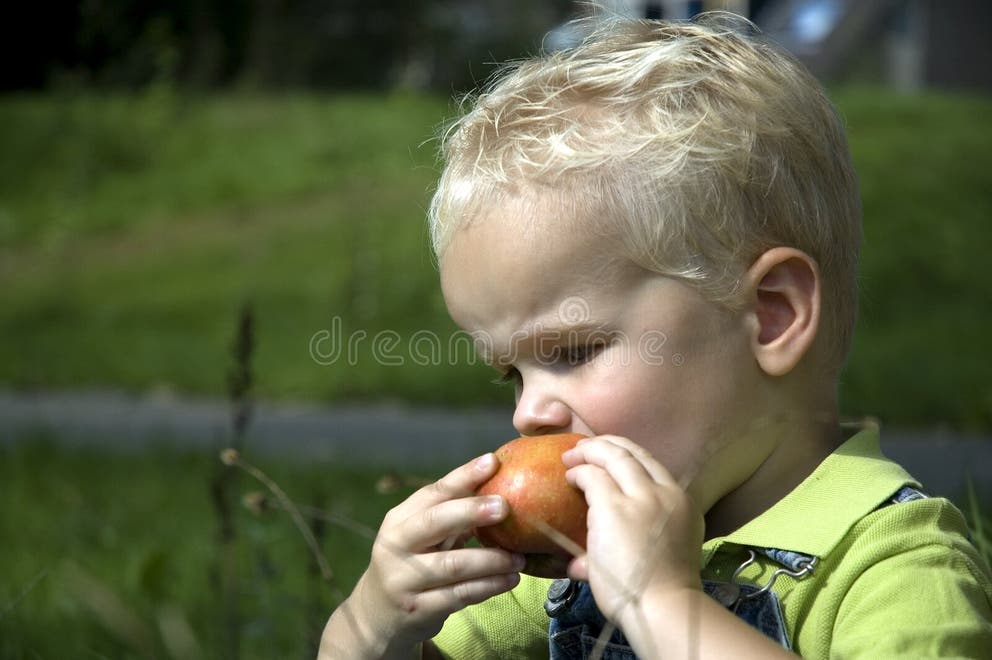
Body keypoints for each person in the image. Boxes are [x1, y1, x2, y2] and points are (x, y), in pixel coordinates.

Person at [319, 13, 992, 659]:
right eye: (513, 374)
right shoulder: (568, 561)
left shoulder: (892, 563)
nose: (529, 413)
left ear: (772, 314)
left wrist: (663, 602)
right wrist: (374, 626)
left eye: (575, 351)